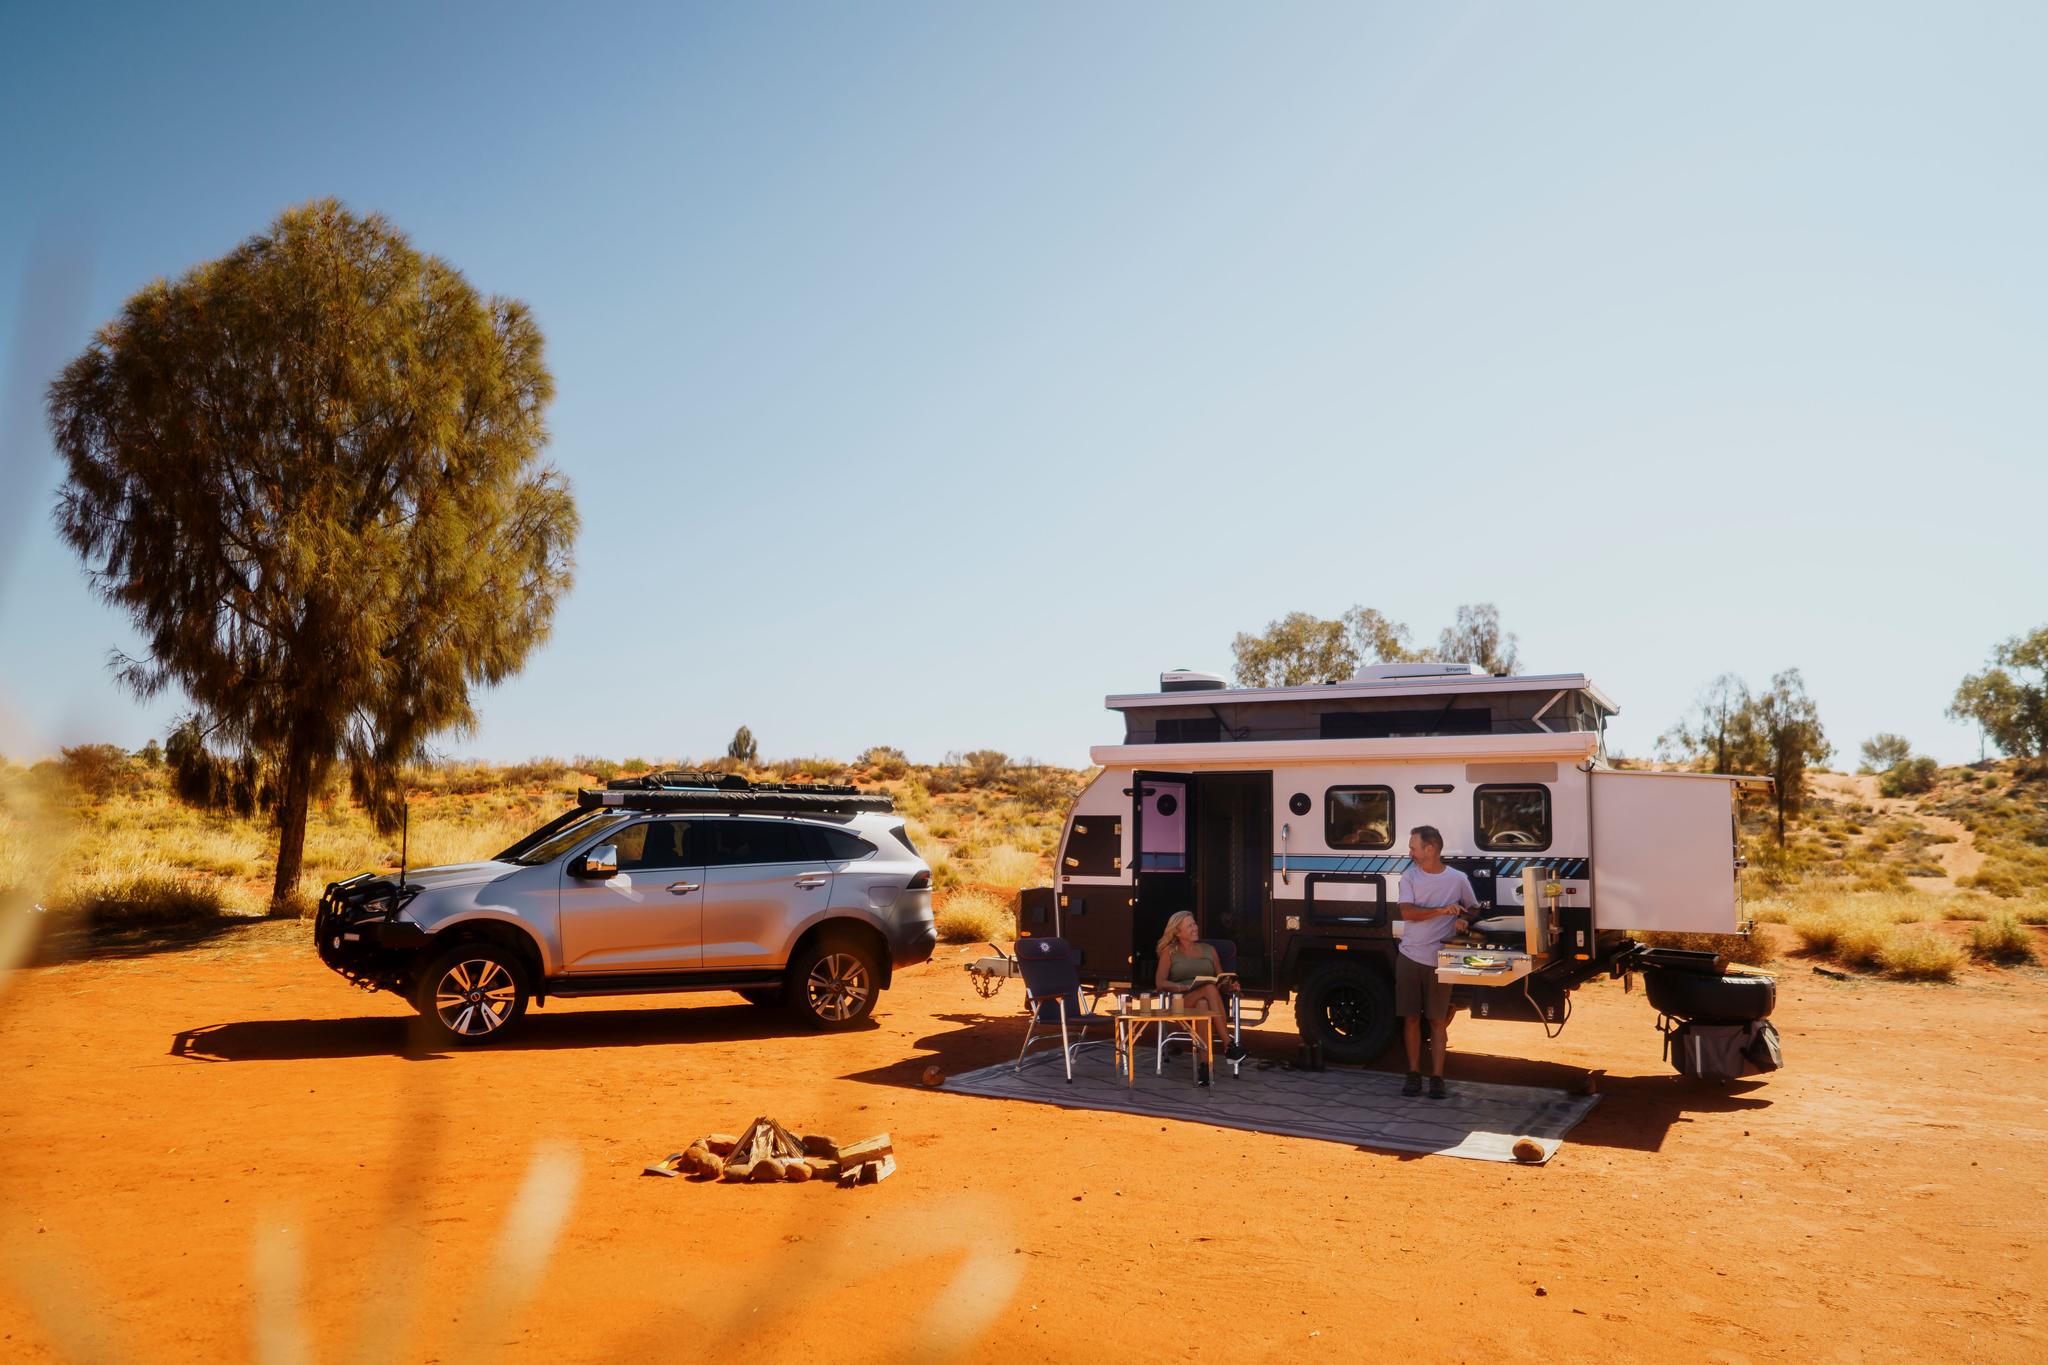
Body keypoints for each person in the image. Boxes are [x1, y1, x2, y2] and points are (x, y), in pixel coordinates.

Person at [1395, 825, 1478, 1100]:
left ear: (1430, 849)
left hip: (1440, 960)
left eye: (1413, 847)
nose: (1410, 852)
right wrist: (1442, 910)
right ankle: (1413, 1074)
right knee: (1410, 1018)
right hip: (1410, 956)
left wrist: (1464, 919)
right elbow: (1407, 913)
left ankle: (1438, 1078)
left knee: (1438, 1020)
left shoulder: (1457, 879)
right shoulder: (1409, 877)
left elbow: (1473, 907)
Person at [1153, 910, 1246, 1084]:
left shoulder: (1209, 950)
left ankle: (1204, 1068)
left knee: (1203, 1003)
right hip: (1182, 1003)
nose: (1195, 928)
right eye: (1189, 926)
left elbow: (1221, 980)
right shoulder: (1170, 952)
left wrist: (1230, 985)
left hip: (1208, 1004)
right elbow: (1160, 982)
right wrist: (1180, 987)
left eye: (1194, 923)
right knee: (1209, 988)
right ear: (1177, 932)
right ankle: (1228, 1044)